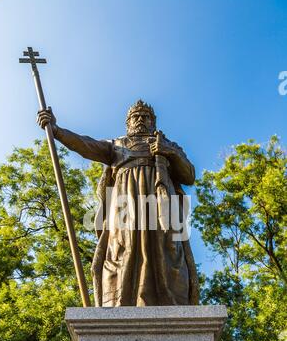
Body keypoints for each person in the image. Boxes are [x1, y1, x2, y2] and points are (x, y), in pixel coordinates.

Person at [37, 100, 199, 307]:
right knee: (122, 250)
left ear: (153, 122)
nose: (140, 120)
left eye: (145, 116)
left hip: (160, 204)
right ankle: (118, 302)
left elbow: (189, 176)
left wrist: (170, 152)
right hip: (125, 204)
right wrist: (57, 130)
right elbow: (85, 144)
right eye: (135, 117)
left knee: (168, 249)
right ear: (128, 123)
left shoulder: (168, 145)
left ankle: (171, 303)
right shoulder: (117, 144)